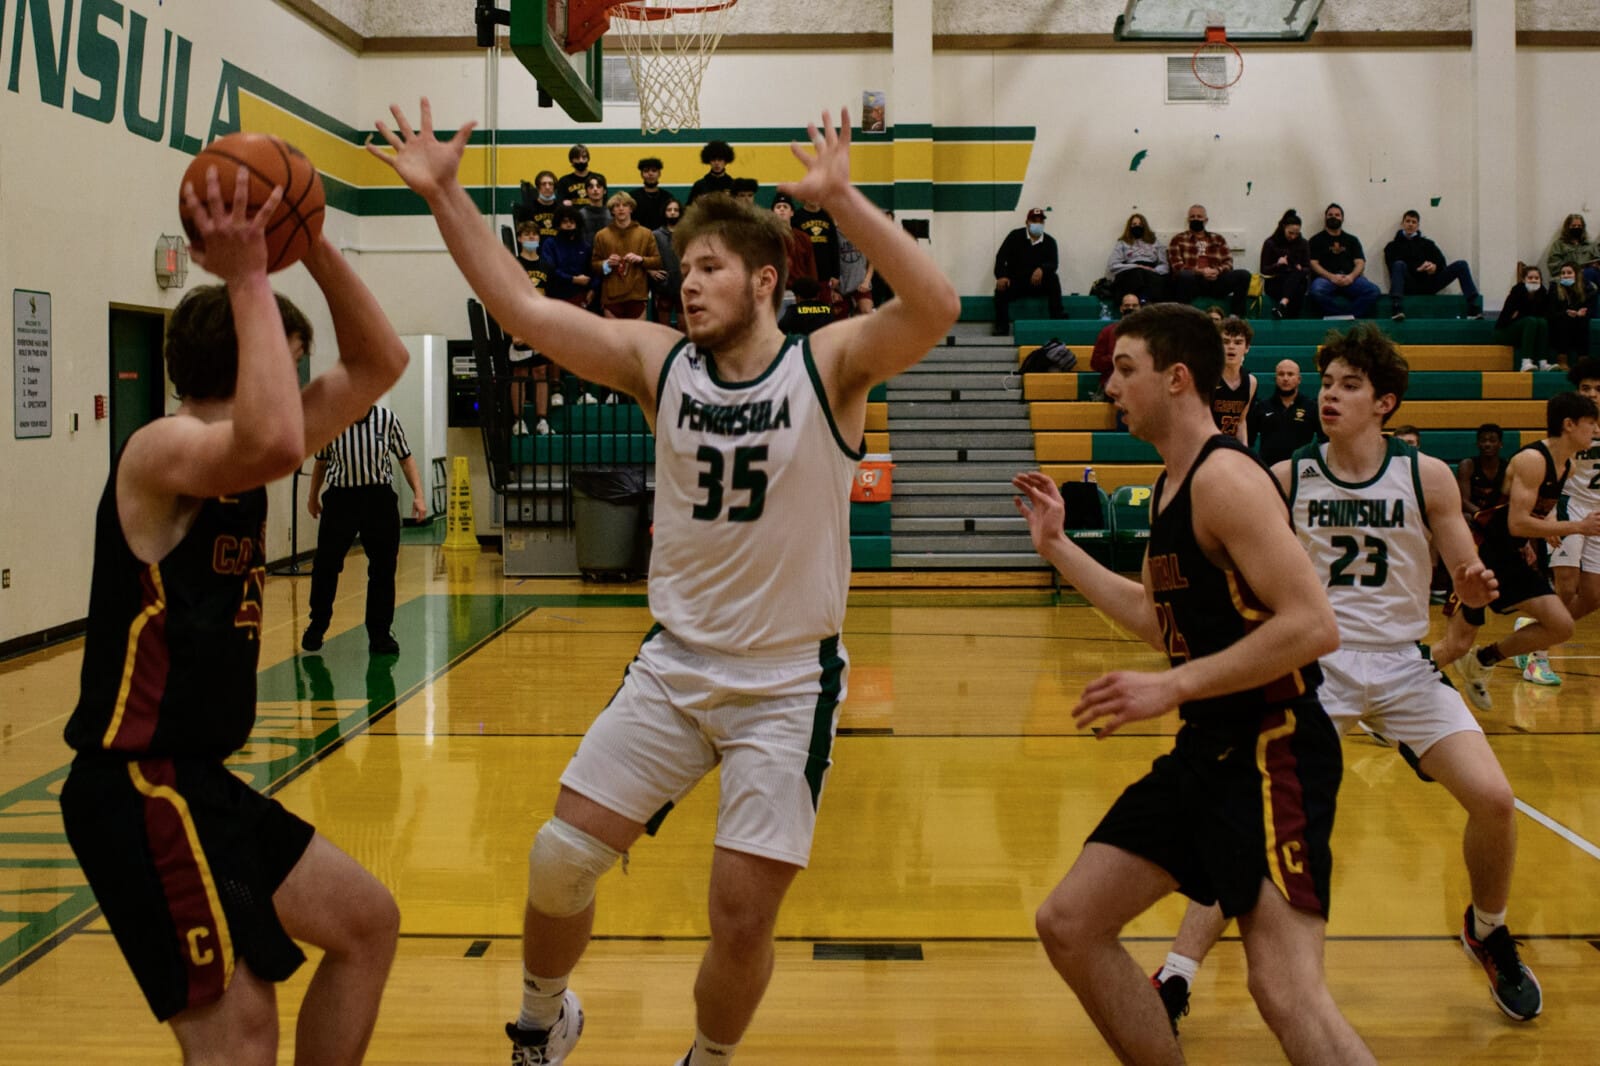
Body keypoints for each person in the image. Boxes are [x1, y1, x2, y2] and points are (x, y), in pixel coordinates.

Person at [368, 98, 959, 1066]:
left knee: (737, 914)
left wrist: (844, 201)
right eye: (683, 270)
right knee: (560, 857)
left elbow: (934, 307)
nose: (688, 285)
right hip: (676, 665)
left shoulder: (829, 365)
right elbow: (525, 309)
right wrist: (443, 195)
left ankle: (708, 1059)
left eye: (710, 268)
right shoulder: (661, 364)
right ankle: (542, 1018)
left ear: (765, 280)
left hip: (784, 683)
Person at [60, 165, 405, 1064]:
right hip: (136, 787)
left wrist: (311, 237)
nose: (302, 377)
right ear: (257, 359)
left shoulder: (245, 454)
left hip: (194, 779)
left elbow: (381, 364)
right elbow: (278, 438)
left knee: (366, 924)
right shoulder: (164, 449)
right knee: (241, 1033)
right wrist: (250, 277)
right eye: (290, 360)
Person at [1009, 302, 1375, 1066]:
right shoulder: (1171, 482)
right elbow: (1155, 617)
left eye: (1125, 369)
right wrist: (1058, 549)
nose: (1110, 384)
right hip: (1207, 751)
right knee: (1070, 923)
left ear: (1178, 379)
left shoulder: (1226, 480)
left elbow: (1312, 626)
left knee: (1284, 991)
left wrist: (1171, 689)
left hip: (1272, 750)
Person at [1151, 323, 1543, 1033]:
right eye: (1327, 383)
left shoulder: (1423, 475)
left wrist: (1475, 591)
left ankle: (1487, 930)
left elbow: (1464, 570)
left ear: (1384, 403)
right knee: (1250, 822)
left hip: (1403, 666)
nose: (1330, 395)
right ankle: (1177, 973)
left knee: (1495, 800)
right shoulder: (1285, 478)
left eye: (1348, 385)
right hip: (1313, 668)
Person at [1434, 391, 1600, 706]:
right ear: (1568, 424)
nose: (1595, 429)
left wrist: (1541, 531)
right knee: (1455, 643)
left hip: (1509, 554)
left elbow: (1538, 511)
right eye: (1590, 423)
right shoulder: (1532, 461)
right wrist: (1575, 526)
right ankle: (1384, 700)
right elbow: (1517, 523)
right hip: (1481, 553)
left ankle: (1483, 659)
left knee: (1561, 625)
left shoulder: (1567, 467)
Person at [302, 405, 428, 654]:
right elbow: (321, 462)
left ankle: (380, 633)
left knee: (383, 568)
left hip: (378, 499)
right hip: (341, 499)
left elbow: (405, 458)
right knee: (326, 564)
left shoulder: (387, 419)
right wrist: (313, 496)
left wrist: (419, 495)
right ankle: (317, 624)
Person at [1549, 360, 1600, 647]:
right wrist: (1548, 517)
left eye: (1598, 389)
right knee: (1566, 585)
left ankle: (1535, 629)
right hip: (1570, 505)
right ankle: (1537, 651)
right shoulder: (1567, 426)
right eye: (1585, 388)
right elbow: (1547, 470)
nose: (1592, 394)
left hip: (1597, 512)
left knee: (1593, 597)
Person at [1383, 209, 1481, 322]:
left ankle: (1473, 307)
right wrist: (1417, 269)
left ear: (1418, 225)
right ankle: (1397, 308)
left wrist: (1434, 268)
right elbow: (1392, 267)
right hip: (1408, 285)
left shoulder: (1428, 244)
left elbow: (1442, 263)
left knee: (1461, 265)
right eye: (1408, 221)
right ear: (1402, 224)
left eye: (1414, 222)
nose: (1410, 224)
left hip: (1429, 283)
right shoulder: (1392, 246)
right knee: (1398, 265)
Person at [1168, 204, 1250, 317]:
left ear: (1206, 220)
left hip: (1215, 281)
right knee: (1184, 275)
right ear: (1188, 220)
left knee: (1243, 275)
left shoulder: (1218, 238)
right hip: (1193, 282)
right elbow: (1177, 266)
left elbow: (1228, 262)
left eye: (1199, 216)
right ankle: (1184, 317)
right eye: (1192, 217)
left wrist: (1217, 270)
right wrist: (1200, 271)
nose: (1195, 219)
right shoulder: (1178, 239)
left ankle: (1236, 317)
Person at [992, 206, 1064, 336]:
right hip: (1017, 282)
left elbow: (1054, 263)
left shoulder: (1049, 241)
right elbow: (1000, 257)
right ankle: (1002, 326)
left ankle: (1057, 318)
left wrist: (1042, 269)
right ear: (1027, 222)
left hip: (1038, 284)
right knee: (1000, 288)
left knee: (1053, 279)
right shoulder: (1014, 236)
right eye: (1034, 221)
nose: (1037, 224)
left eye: (1040, 221)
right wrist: (1001, 276)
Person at [591, 191, 662, 320]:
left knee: (637, 338)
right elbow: (594, 265)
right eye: (616, 206)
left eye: (625, 205)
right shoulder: (601, 235)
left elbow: (657, 261)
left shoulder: (645, 233)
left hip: (637, 296)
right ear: (612, 211)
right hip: (611, 297)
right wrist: (606, 264)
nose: (621, 208)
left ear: (631, 208)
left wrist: (641, 259)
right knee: (614, 340)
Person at [1308, 203, 1380, 318]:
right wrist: (1331, 277)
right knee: (1316, 291)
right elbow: (1313, 263)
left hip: (1350, 278)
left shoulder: (1352, 240)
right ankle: (1341, 316)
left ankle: (1349, 315)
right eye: (1330, 215)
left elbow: (1360, 262)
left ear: (1342, 218)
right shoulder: (1316, 240)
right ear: (1325, 217)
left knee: (1373, 291)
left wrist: (1351, 277)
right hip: (1326, 279)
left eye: (1337, 215)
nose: (1333, 217)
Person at [1253, 358, 1317, 464]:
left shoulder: (1311, 407)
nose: (1285, 378)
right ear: (1275, 378)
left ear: (1299, 379)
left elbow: (1324, 440)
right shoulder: (1262, 407)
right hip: (1269, 470)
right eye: (1281, 374)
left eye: (1290, 374)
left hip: (1301, 470)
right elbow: (1248, 440)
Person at [1494, 264, 1553, 371]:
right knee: (1531, 321)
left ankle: (1543, 362)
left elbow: (1544, 315)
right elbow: (1508, 317)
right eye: (1530, 278)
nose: (1534, 280)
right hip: (1505, 330)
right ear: (1523, 279)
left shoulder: (1543, 293)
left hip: (1528, 328)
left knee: (1542, 322)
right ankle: (1525, 362)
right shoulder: (1517, 291)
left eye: (1537, 278)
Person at [1212, 316, 1257, 446]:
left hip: (1230, 448)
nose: (1231, 347)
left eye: (1238, 343)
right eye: (1225, 342)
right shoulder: (1208, 377)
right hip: (1206, 448)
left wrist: (1245, 451)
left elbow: (1241, 422)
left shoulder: (1251, 382)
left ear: (1247, 348)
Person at [541, 205, 597, 310]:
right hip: (556, 297)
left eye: (572, 222)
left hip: (579, 296)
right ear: (558, 224)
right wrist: (573, 279)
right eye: (565, 222)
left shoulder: (585, 246)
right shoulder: (550, 244)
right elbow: (550, 270)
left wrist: (592, 289)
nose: (568, 225)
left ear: (577, 224)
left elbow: (593, 270)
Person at [1105, 212, 1169, 302]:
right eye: (1134, 224)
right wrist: (1136, 266)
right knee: (1137, 274)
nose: (1137, 226)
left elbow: (1164, 266)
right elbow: (1113, 265)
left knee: (1156, 279)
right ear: (1129, 227)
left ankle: (1148, 305)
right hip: (1132, 270)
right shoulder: (1122, 243)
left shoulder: (1155, 242)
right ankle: (1136, 304)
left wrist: (1154, 270)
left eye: (1140, 224)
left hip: (1151, 271)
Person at [1260, 209, 1311, 320]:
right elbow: (1264, 270)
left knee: (1297, 276)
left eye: (1296, 234)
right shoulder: (1271, 243)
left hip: (1297, 279)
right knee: (1297, 289)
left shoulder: (1303, 243)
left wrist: (1301, 268)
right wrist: (1277, 264)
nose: (1293, 236)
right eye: (1290, 233)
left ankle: (1283, 304)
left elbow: (1308, 268)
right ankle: (1284, 306)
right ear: (1284, 228)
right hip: (1276, 281)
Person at [1090, 292, 1143, 397]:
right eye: (1127, 306)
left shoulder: (1148, 333)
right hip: (1113, 380)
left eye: (1134, 306)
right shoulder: (1107, 332)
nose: (1131, 308)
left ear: (1140, 308)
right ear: (1121, 308)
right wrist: (1116, 357)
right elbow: (1095, 364)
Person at [1458, 423, 1509, 522]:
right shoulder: (1467, 465)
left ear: (1500, 444)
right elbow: (1463, 501)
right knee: (1464, 517)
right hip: (1475, 514)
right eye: (1483, 440)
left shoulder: (1508, 467)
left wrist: (1495, 515)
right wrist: (1483, 515)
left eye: (1492, 441)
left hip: (1499, 515)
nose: (1487, 444)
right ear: (1478, 444)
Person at [649, 197, 685, 329]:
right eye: (669, 210)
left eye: (676, 210)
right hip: (663, 286)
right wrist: (650, 271)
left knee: (684, 326)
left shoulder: (687, 234)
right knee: (663, 328)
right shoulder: (655, 235)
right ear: (664, 212)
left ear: (680, 213)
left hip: (684, 285)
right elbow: (646, 257)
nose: (673, 212)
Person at [1546, 262, 1591, 368]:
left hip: (1577, 324)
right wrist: (1565, 313)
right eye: (1563, 273)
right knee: (1564, 320)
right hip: (1558, 325)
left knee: (1582, 320)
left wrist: (1580, 313)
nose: (1566, 275)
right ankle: (1562, 359)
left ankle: (1583, 359)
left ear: (1576, 274)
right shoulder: (1554, 289)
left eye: (1569, 273)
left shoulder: (1585, 289)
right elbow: (1550, 313)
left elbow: (1588, 309)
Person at [1543, 213, 1600, 293]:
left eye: (1579, 226)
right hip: (1566, 277)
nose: (1577, 228)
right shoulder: (1559, 245)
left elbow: (1597, 260)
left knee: (1592, 273)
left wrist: (1595, 265)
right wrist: (1573, 271)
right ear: (1567, 227)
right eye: (1574, 226)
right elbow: (1554, 266)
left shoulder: (1590, 245)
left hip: (1588, 277)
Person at [631, 156, 674, 232]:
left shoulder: (667, 197)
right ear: (641, 174)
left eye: (654, 171)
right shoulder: (632, 197)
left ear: (659, 174)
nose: (650, 174)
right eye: (646, 171)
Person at [687, 139, 736, 204]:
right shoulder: (700, 185)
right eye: (713, 160)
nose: (716, 163)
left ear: (726, 161)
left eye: (720, 160)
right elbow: (689, 208)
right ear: (709, 161)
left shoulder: (733, 185)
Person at [522, 170, 560, 240]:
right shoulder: (528, 209)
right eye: (543, 184)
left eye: (550, 184)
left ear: (554, 188)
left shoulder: (561, 209)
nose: (547, 187)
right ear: (538, 188)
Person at [578, 175, 610, 243]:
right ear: (586, 192)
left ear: (604, 191)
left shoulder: (611, 214)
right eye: (591, 187)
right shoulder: (580, 215)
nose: (595, 189)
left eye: (598, 186)